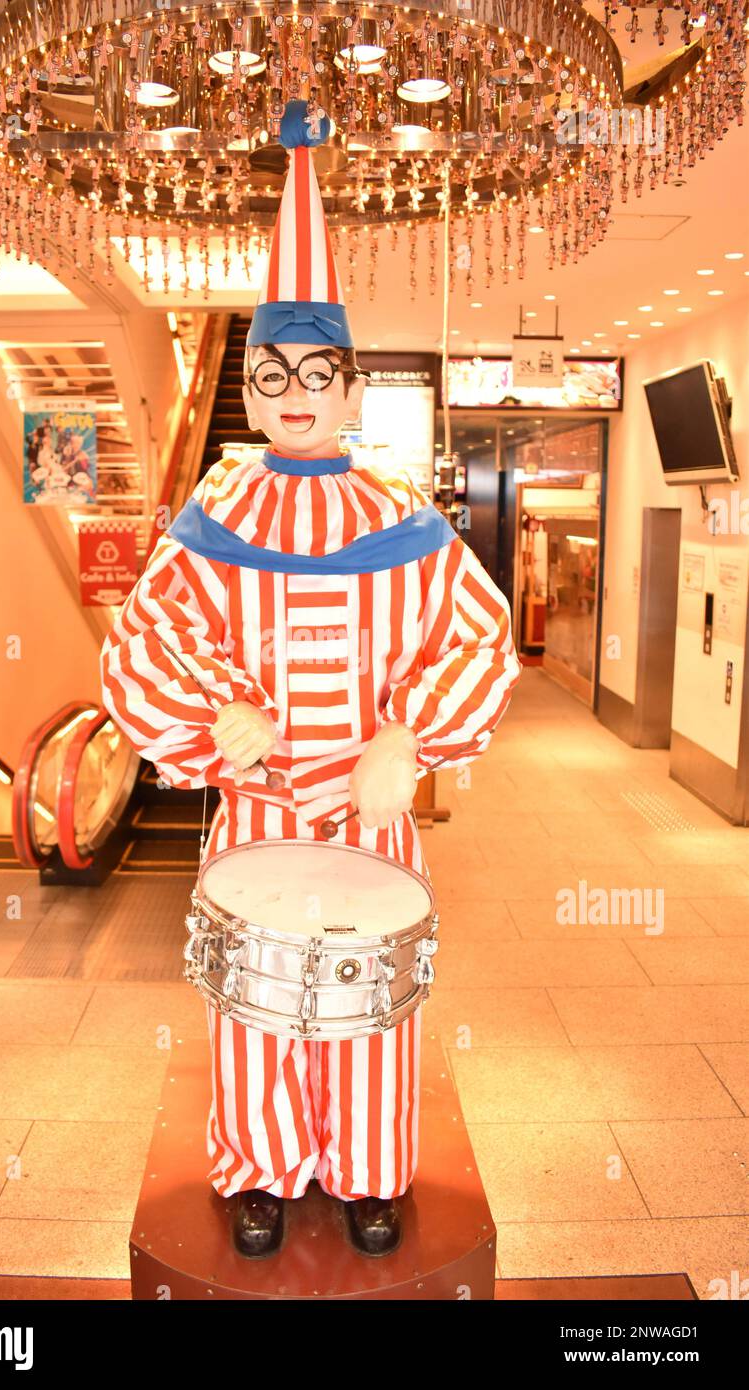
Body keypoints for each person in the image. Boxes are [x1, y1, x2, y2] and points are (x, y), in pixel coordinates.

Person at [100, 100, 522, 1260]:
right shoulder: (213, 516)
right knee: (257, 1006)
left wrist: (411, 738)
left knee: (371, 1005)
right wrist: (209, 709)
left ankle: (371, 1168)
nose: (293, 391)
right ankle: (259, 1168)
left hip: (374, 827)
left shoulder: (404, 517)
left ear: (348, 390)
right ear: (249, 389)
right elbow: (140, 642)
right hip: (258, 812)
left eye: (317, 372)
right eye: (271, 371)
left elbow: (479, 639)